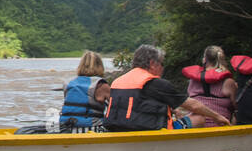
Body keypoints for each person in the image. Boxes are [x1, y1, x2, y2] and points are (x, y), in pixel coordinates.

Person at [103, 44, 231, 131]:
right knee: (199, 118)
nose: (163, 68)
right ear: (152, 63)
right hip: (148, 132)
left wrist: (173, 111)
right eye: (162, 63)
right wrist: (217, 117)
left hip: (118, 130)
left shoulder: (117, 81)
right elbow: (194, 106)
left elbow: (139, 103)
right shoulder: (156, 83)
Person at [181, 45, 237, 127]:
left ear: (204, 60)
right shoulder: (228, 82)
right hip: (221, 127)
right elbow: (237, 107)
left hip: (197, 126)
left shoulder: (193, 80)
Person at [59, 50, 110, 129]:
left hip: (65, 125)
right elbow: (116, 107)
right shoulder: (101, 85)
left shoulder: (68, 83)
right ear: (100, 66)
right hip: (90, 126)